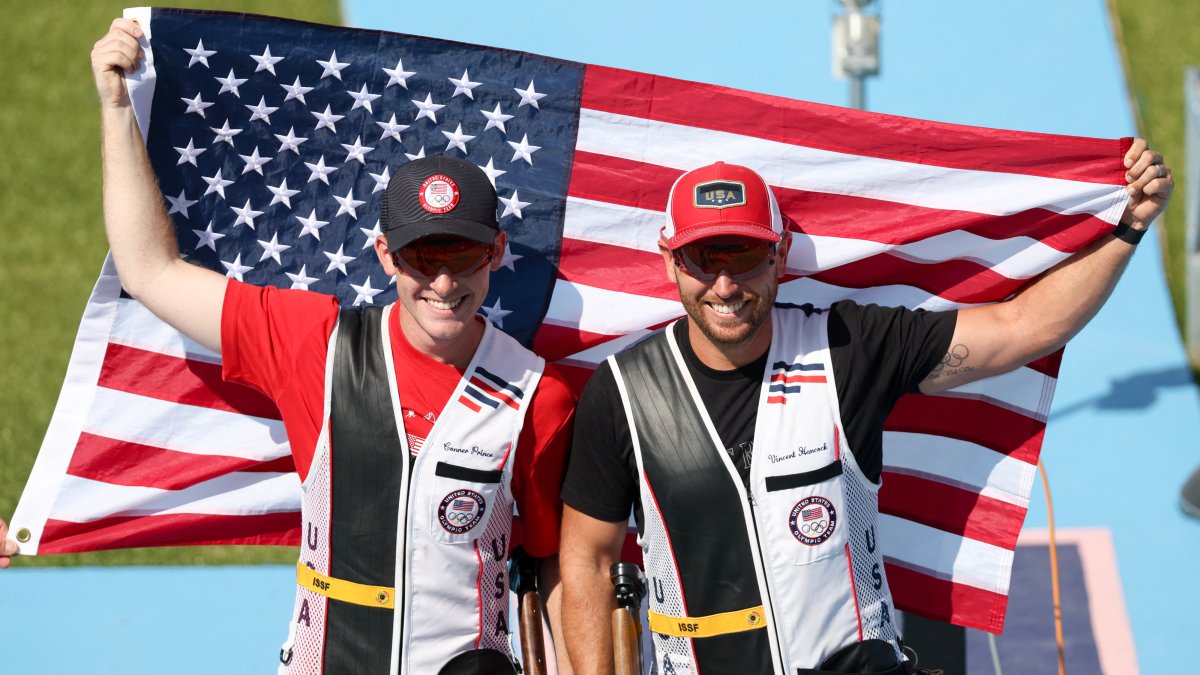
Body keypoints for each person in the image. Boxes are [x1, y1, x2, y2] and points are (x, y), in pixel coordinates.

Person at [0, 19, 576, 675]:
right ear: (386, 255)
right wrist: (114, 109)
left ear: (496, 252)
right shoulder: (314, 344)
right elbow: (150, 271)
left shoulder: (539, 396)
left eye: (464, 256)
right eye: (423, 258)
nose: (443, 283)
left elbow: (560, 564)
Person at [558, 151, 1172, 674]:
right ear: (670, 261)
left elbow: (1022, 327)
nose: (724, 285)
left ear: (781, 255)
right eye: (702, 259)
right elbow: (588, 560)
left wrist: (1129, 226)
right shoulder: (621, 392)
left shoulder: (849, 348)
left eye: (743, 257)